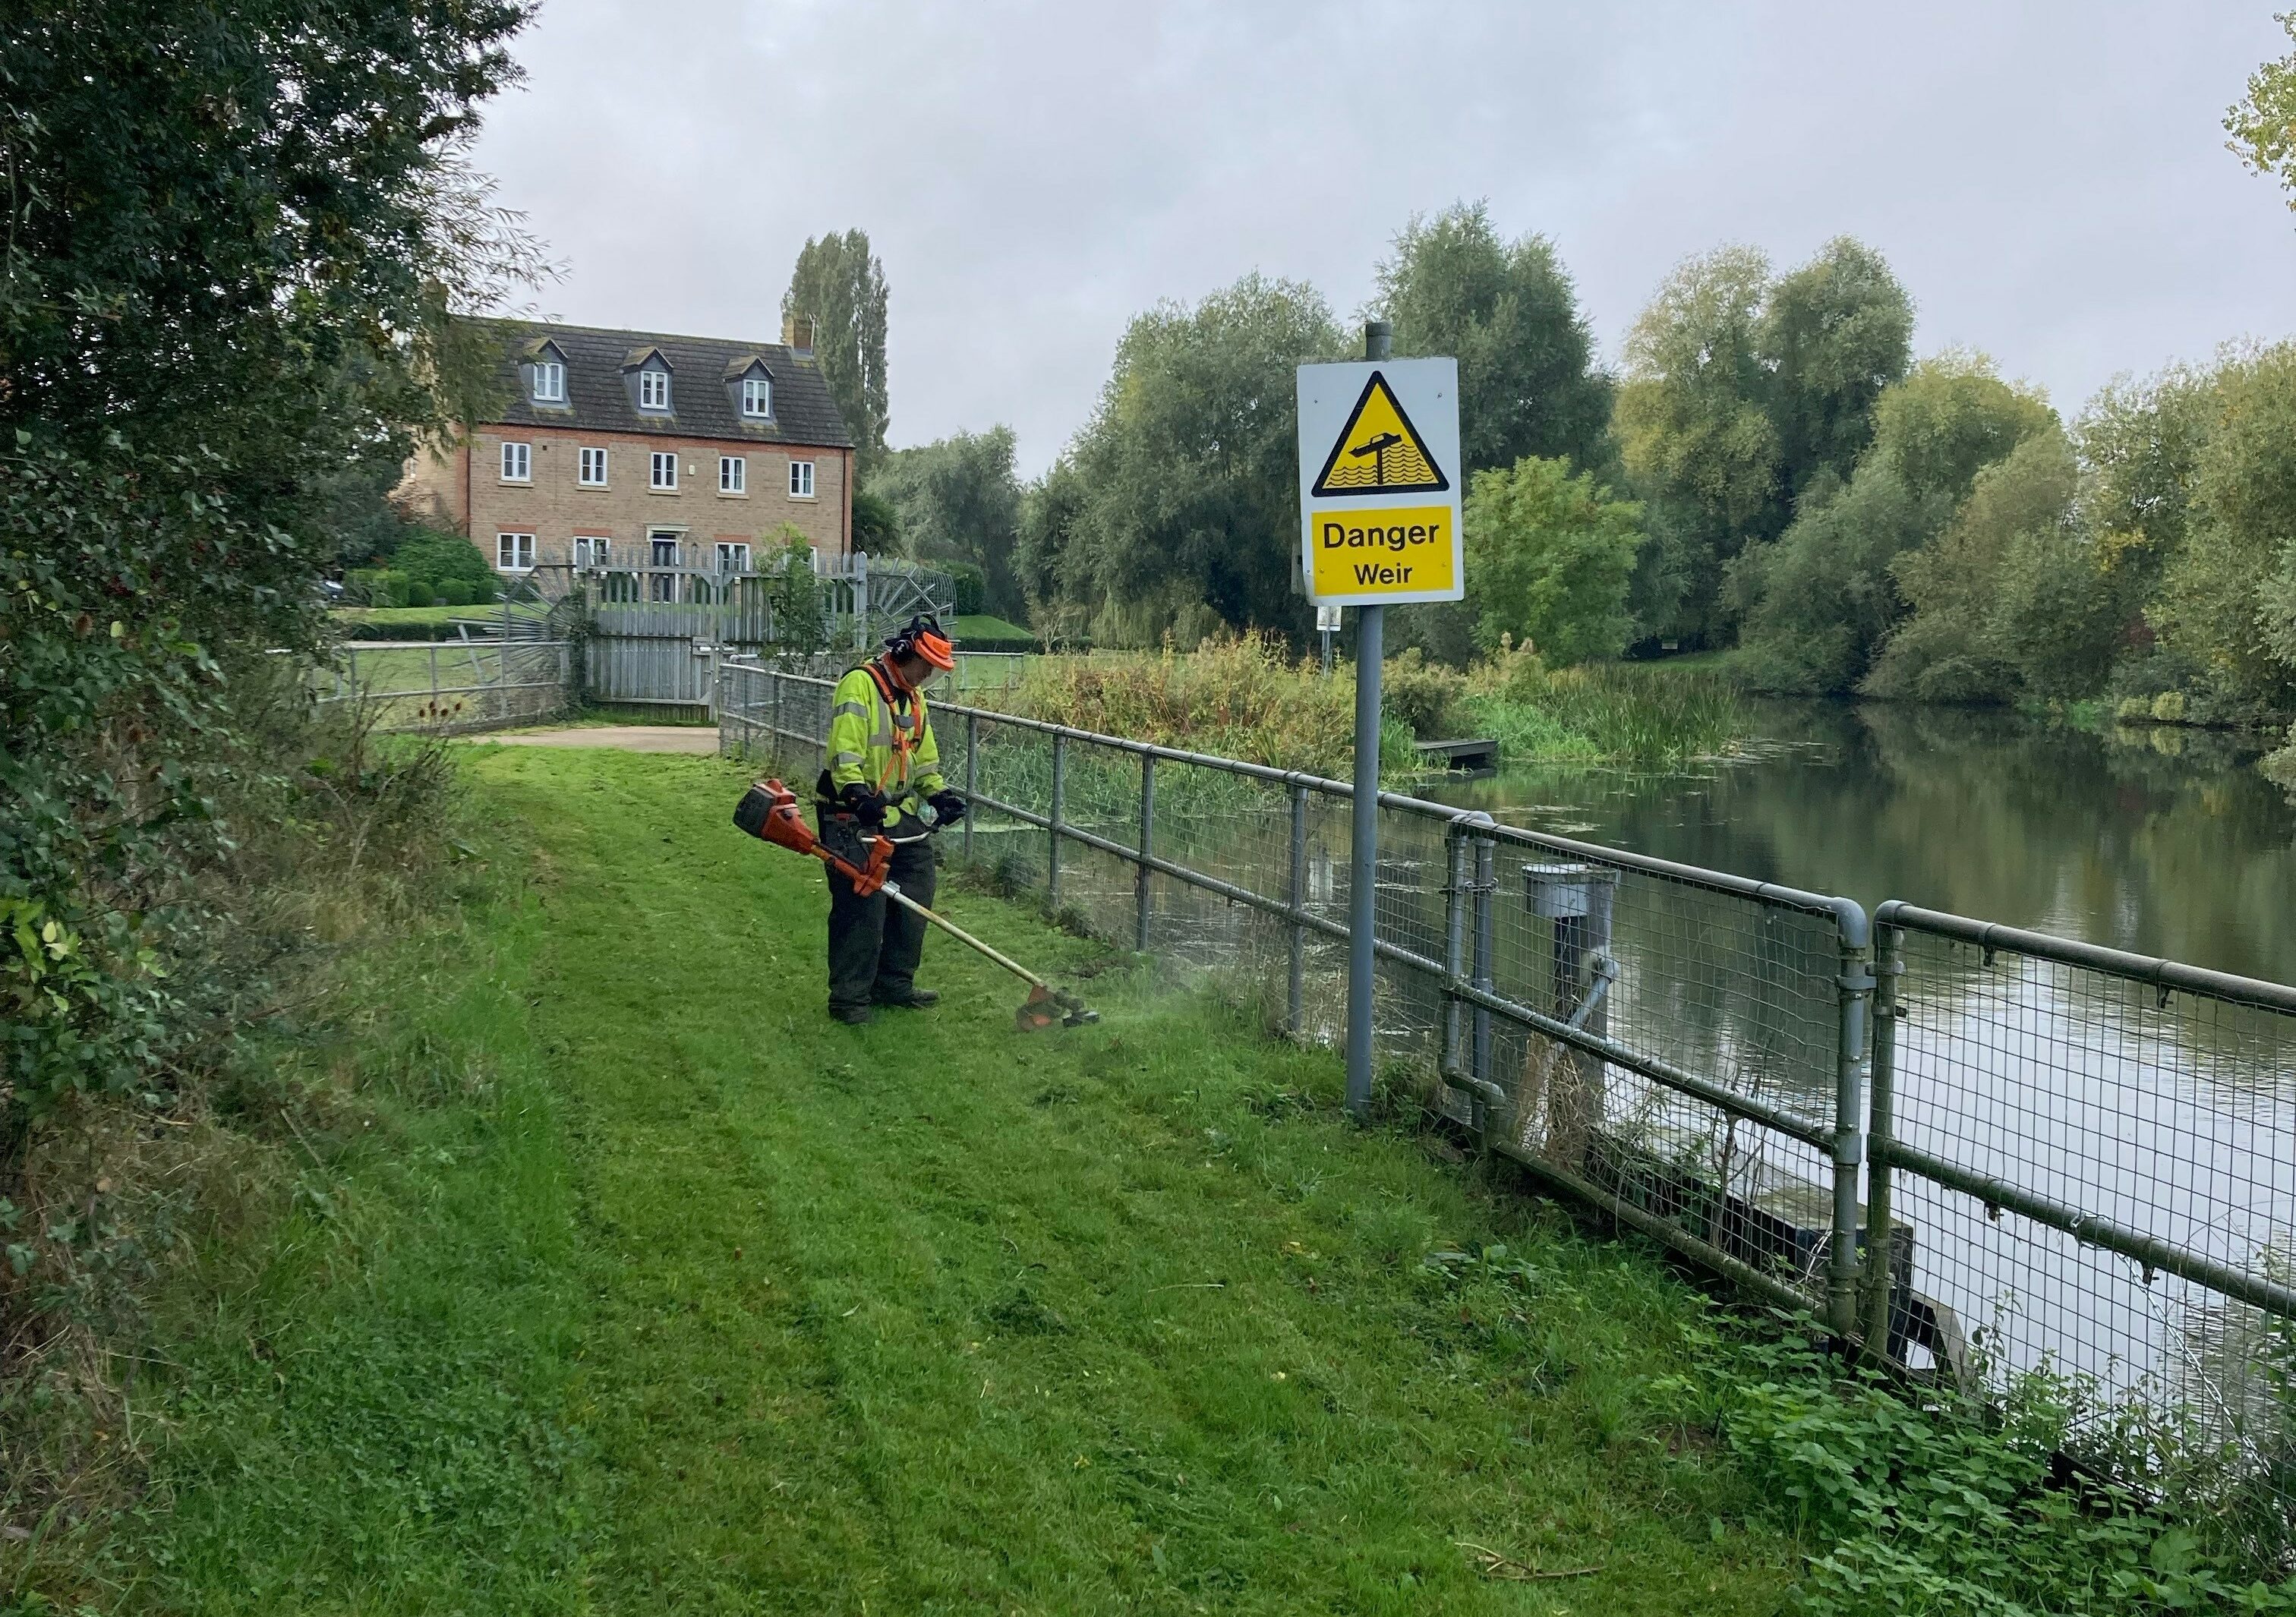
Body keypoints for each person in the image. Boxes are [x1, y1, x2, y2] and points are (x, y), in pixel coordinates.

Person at [815, 615, 967, 1023]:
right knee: (861, 909)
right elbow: (844, 755)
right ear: (905, 654)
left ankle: (894, 984)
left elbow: (924, 762)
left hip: (899, 814)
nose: (929, 675)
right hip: (852, 814)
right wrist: (857, 794)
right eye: (926, 665)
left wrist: (941, 796)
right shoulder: (860, 685)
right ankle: (849, 1000)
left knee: (916, 894)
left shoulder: (915, 700)